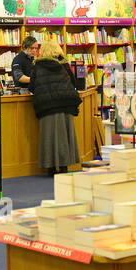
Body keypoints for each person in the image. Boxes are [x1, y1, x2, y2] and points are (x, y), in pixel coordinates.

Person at [30, 39, 80, 173]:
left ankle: (50, 168)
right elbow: (74, 82)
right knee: (66, 135)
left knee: (48, 136)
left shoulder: (37, 66)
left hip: (46, 106)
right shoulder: (64, 64)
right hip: (66, 104)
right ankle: (64, 167)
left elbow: (32, 86)